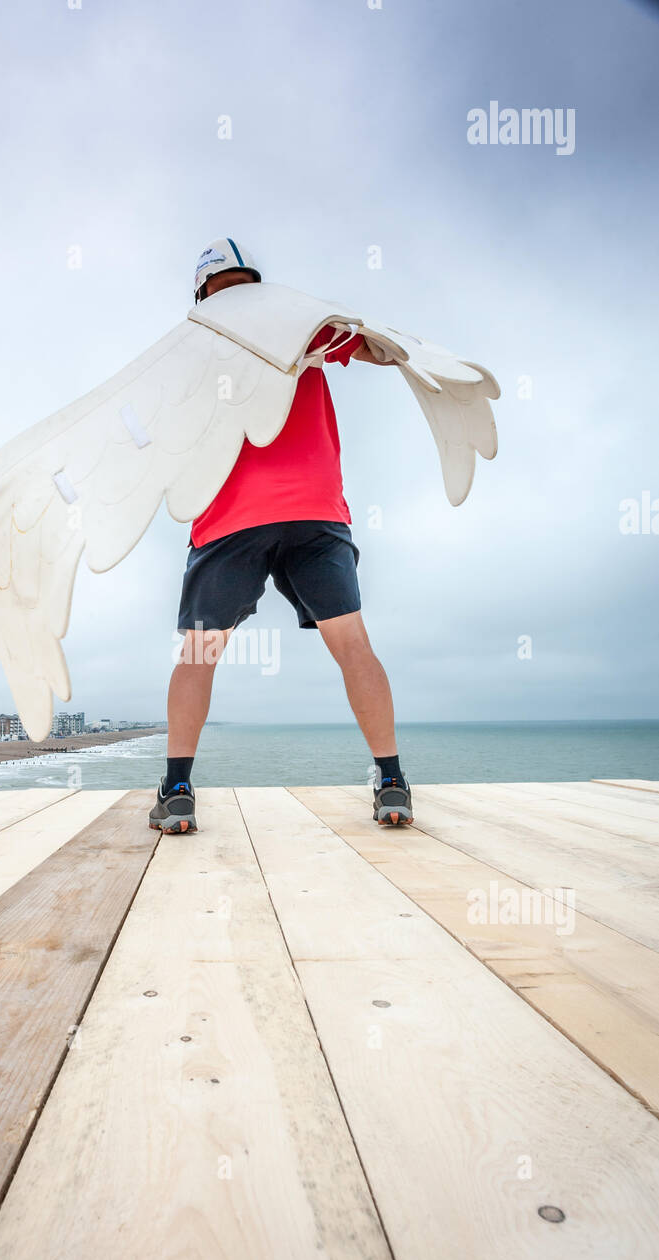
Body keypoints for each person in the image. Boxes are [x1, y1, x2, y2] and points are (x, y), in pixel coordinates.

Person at [149, 237, 412, 834]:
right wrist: (382, 341)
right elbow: (378, 351)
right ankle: (392, 782)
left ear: (201, 295)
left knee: (198, 654)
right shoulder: (298, 329)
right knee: (352, 645)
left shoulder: (191, 351)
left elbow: (154, 438)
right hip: (315, 510)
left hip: (231, 516)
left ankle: (179, 788)